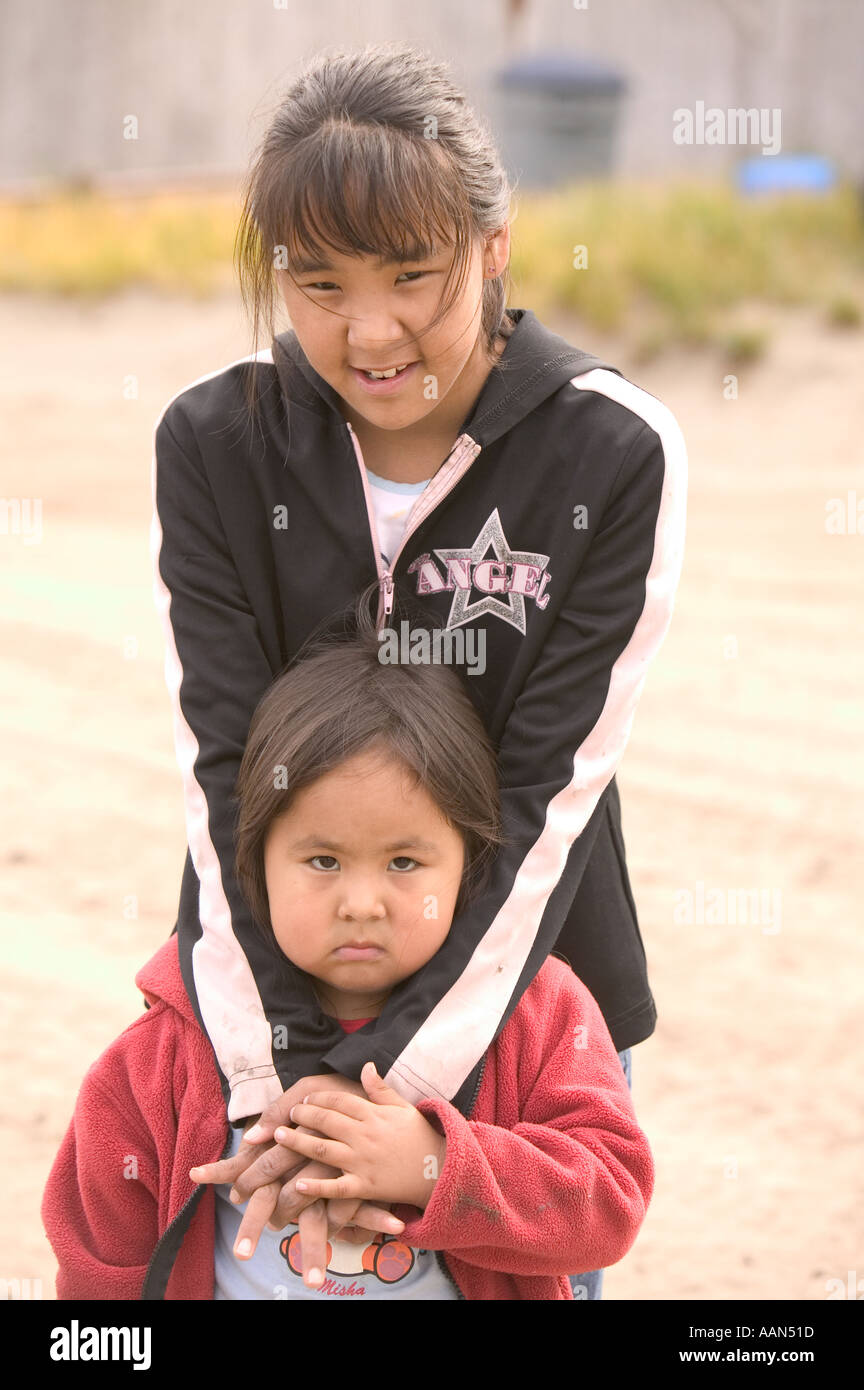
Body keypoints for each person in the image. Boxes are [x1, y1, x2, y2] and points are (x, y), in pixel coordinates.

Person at [147, 40, 687, 1299]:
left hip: (522, 1024)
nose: (370, 329)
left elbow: (551, 796)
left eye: (412, 275)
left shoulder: (615, 451)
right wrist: (288, 1074)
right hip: (269, 1009)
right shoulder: (213, 444)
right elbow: (224, 769)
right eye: (320, 283)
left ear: (494, 249)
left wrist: (398, 1097)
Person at [41, 607, 654, 1299]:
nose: (362, 903)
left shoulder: (535, 1013)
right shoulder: (166, 1052)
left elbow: (608, 1199)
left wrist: (432, 1163)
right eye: (324, 860)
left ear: (472, 868)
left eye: (403, 862)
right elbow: (98, 1266)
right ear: (254, 863)